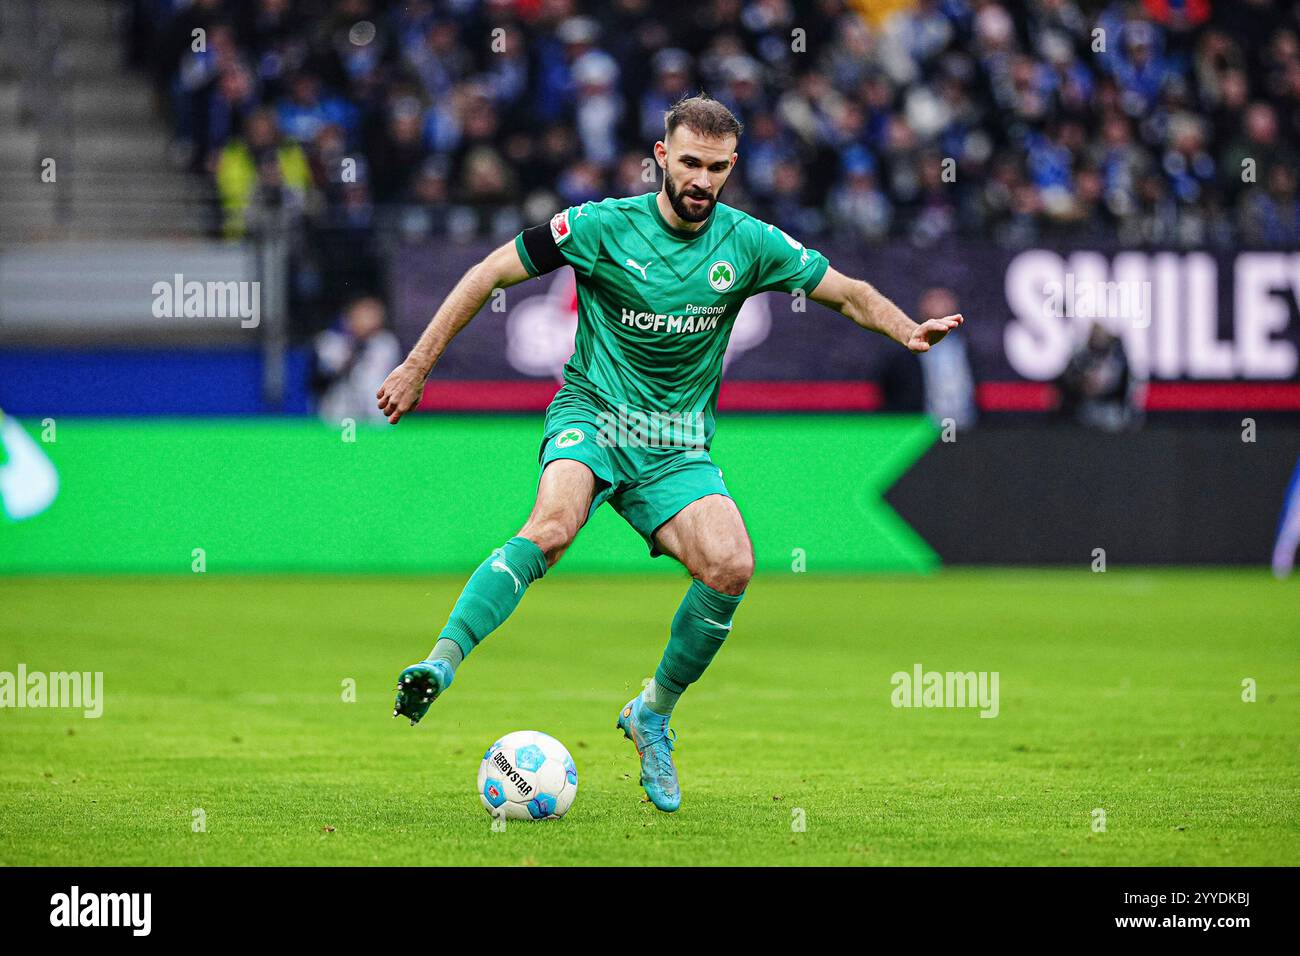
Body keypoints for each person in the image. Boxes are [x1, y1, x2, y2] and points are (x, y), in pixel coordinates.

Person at [376, 94, 964, 812]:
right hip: (592, 414)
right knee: (552, 527)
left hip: (677, 444)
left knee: (732, 565)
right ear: (662, 156)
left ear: (732, 168)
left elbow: (844, 292)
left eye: (716, 168)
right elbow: (488, 274)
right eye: (689, 162)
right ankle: (440, 662)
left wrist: (906, 331)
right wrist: (417, 366)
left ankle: (652, 712)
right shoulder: (598, 226)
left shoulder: (748, 242)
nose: (701, 179)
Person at [313, 296, 401, 424]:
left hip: (374, 410)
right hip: (338, 410)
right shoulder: (330, 341)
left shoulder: (385, 343)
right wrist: (353, 345)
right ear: (348, 318)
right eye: (362, 315)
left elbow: (379, 374)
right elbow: (330, 370)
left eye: (372, 315)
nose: (367, 321)